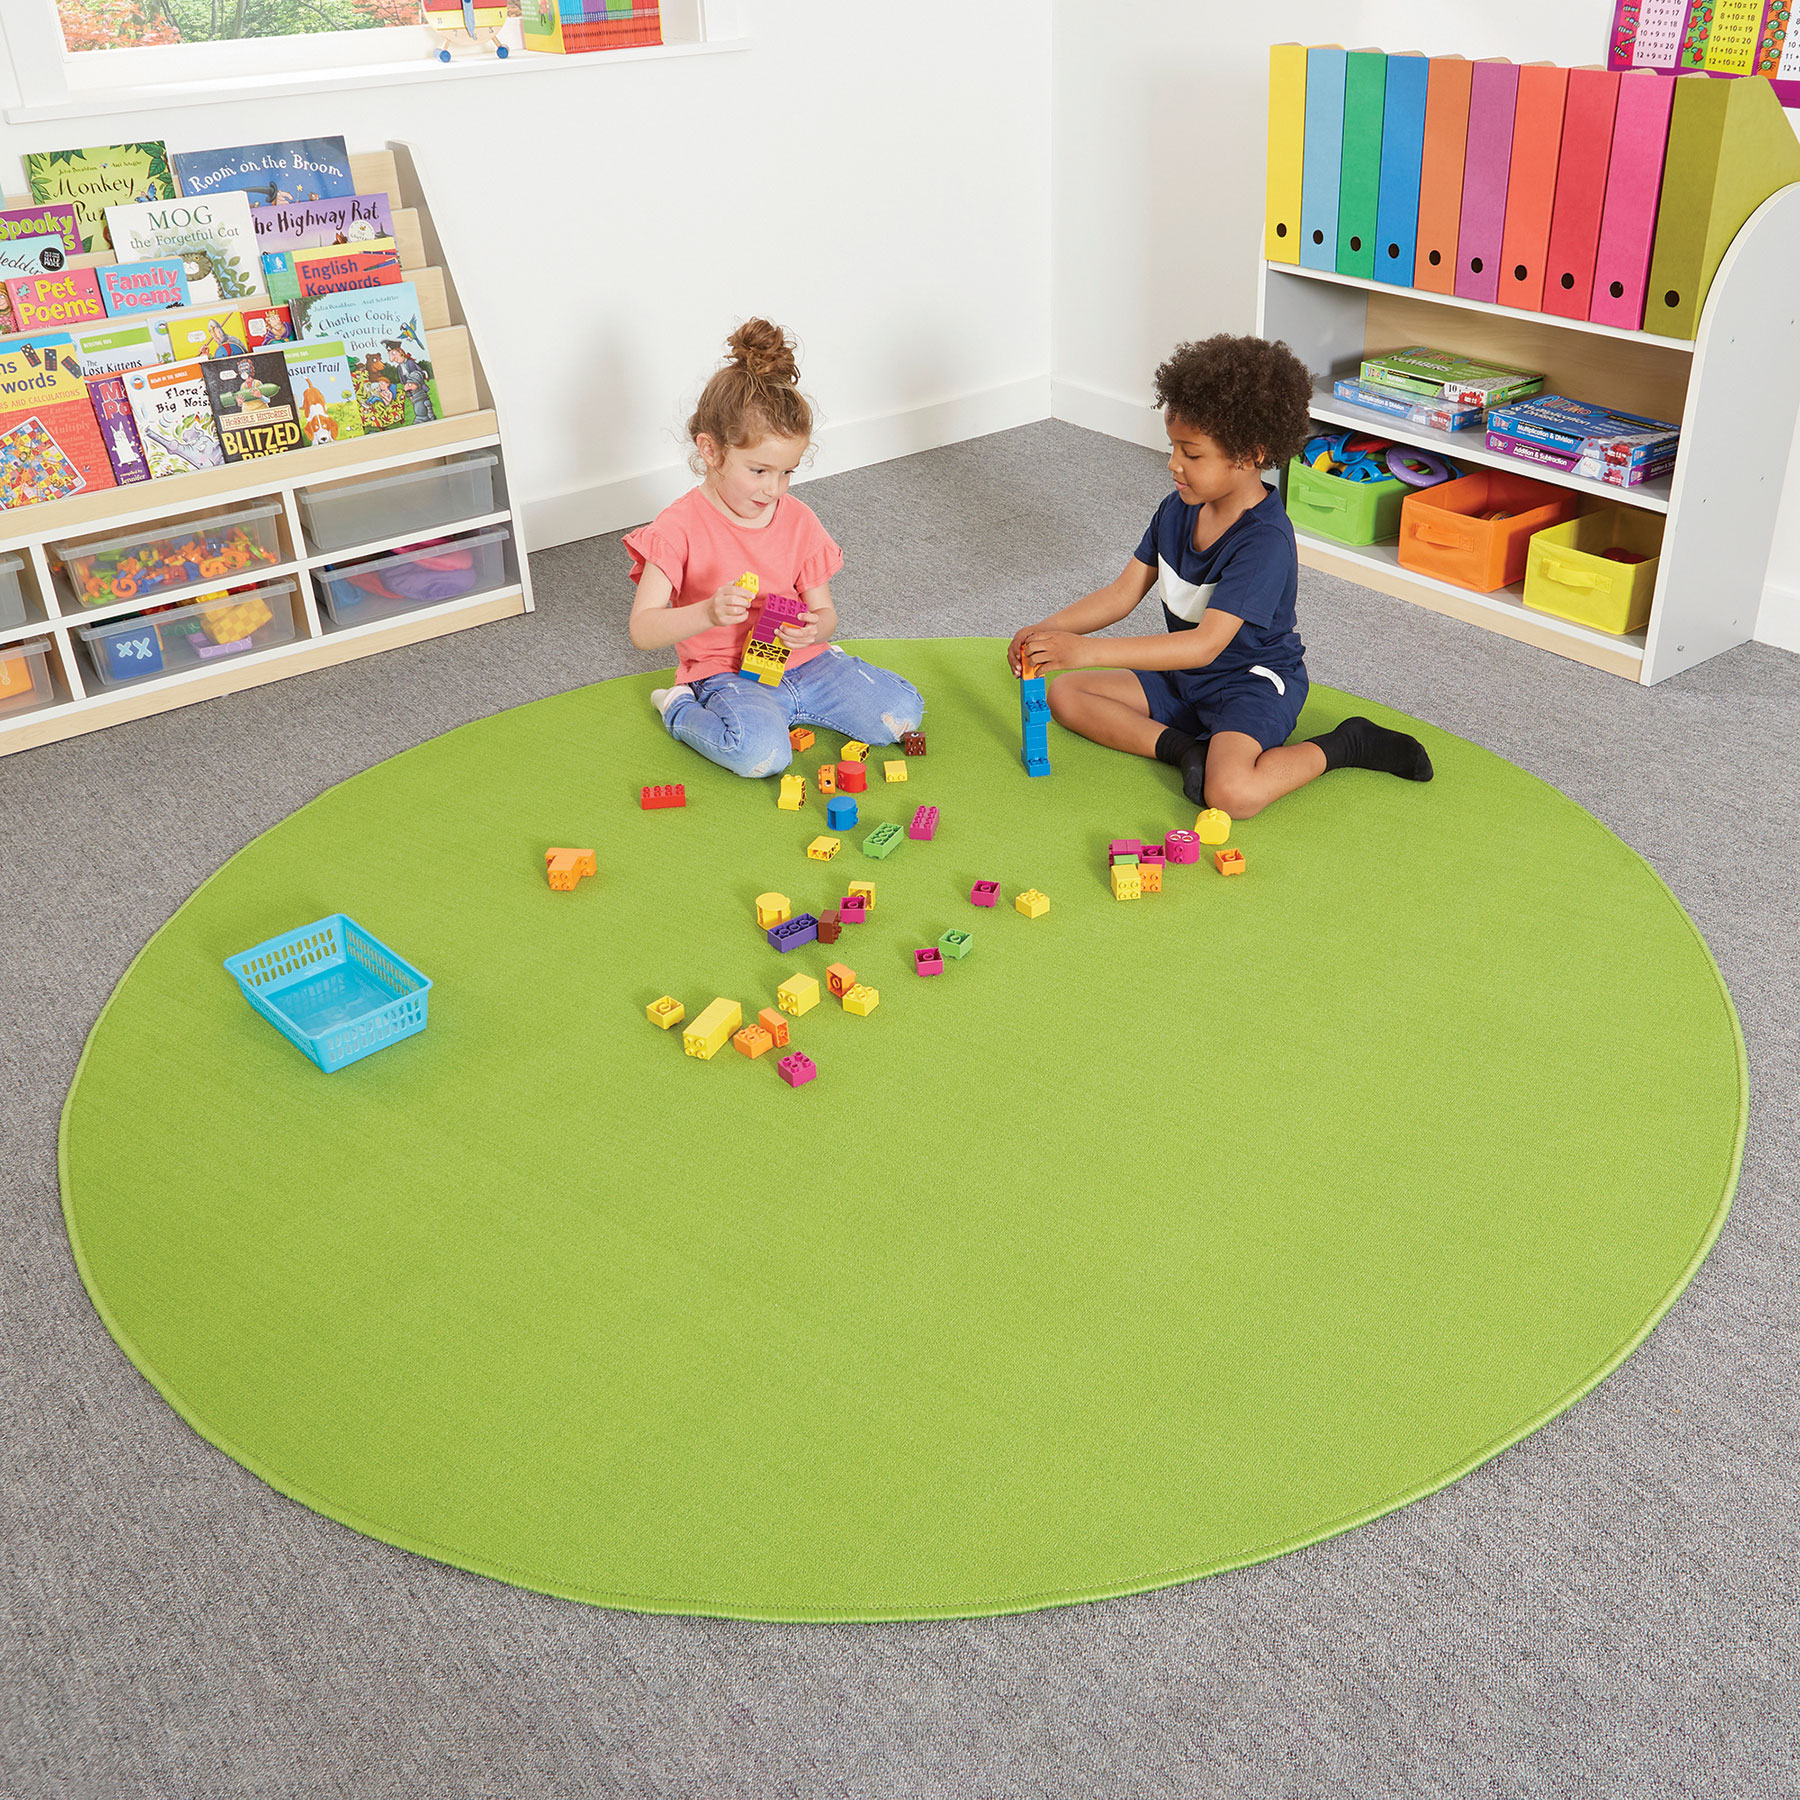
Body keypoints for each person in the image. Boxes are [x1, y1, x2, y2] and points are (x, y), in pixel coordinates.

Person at [1010, 334, 1432, 817]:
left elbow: (1205, 644)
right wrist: (1050, 631)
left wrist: (1085, 650)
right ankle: (1186, 749)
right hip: (1184, 677)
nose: (1173, 465)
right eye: (1173, 448)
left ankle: (1346, 744)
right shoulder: (1177, 509)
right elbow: (1122, 593)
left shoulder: (1264, 541)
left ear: (1249, 455)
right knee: (1066, 691)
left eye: (1192, 454)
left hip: (1249, 681)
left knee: (1232, 795)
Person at [625, 319, 921, 778]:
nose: (774, 489)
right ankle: (680, 708)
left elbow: (826, 615)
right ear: (710, 450)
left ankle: (802, 697)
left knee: (902, 714)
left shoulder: (799, 519)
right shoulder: (676, 528)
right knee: (760, 756)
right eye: (759, 471)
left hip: (807, 663)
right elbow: (642, 631)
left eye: (787, 473)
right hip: (727, 674)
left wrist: (813, 630)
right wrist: (706, 613)